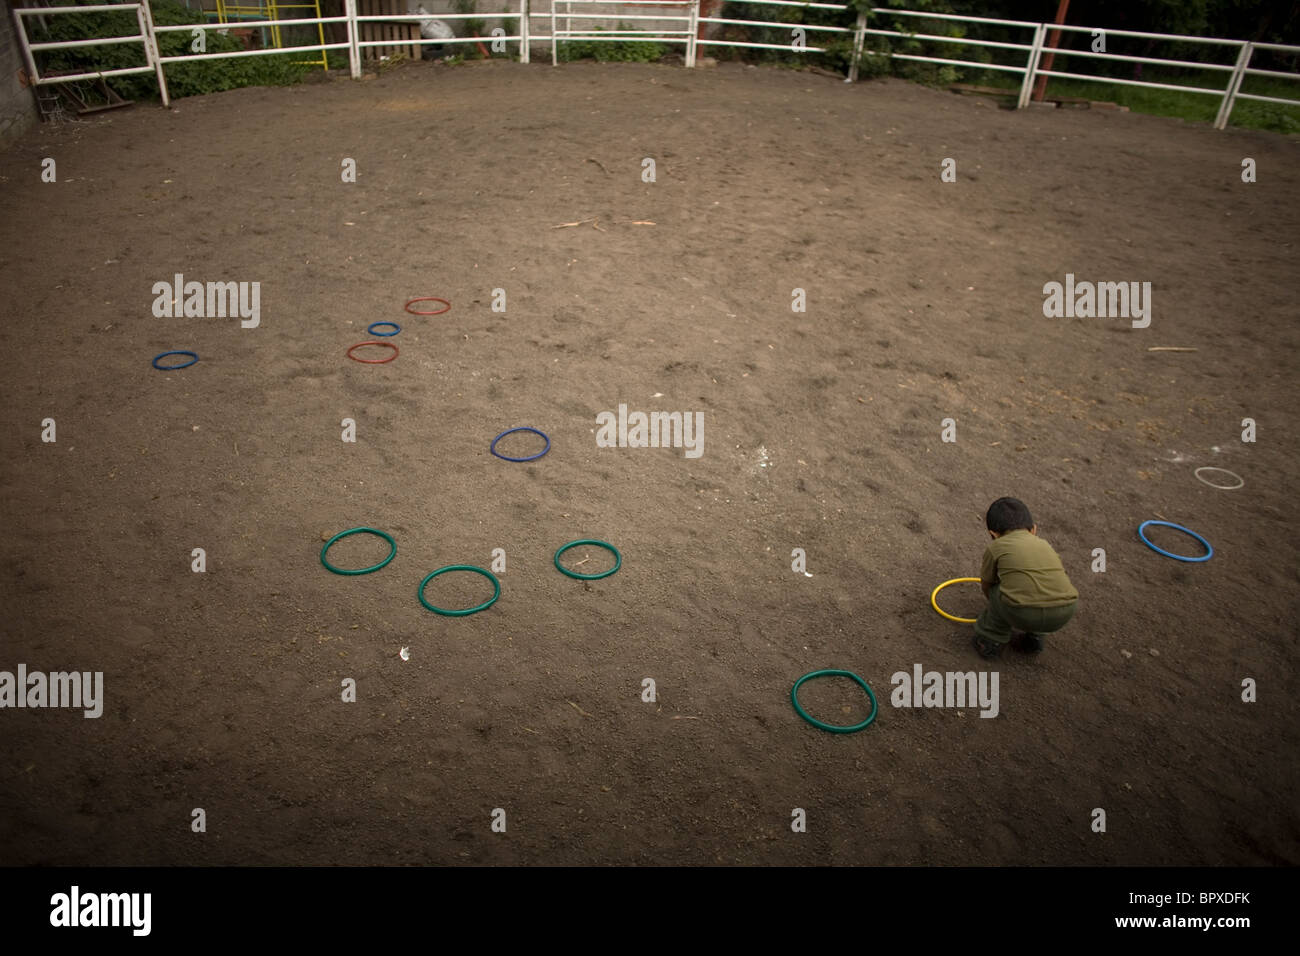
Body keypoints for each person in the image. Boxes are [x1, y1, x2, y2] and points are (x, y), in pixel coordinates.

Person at [974, 497, 1078, 659]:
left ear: (993, 534)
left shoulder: (996, 547)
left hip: (1023, 612)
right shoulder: (1045, 545)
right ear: (1033, 530)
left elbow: (987, 584)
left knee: (997, 590)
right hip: (1065, 610)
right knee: (1042, 587)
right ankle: (1035, 638)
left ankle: (991, 639)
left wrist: (996, 605)